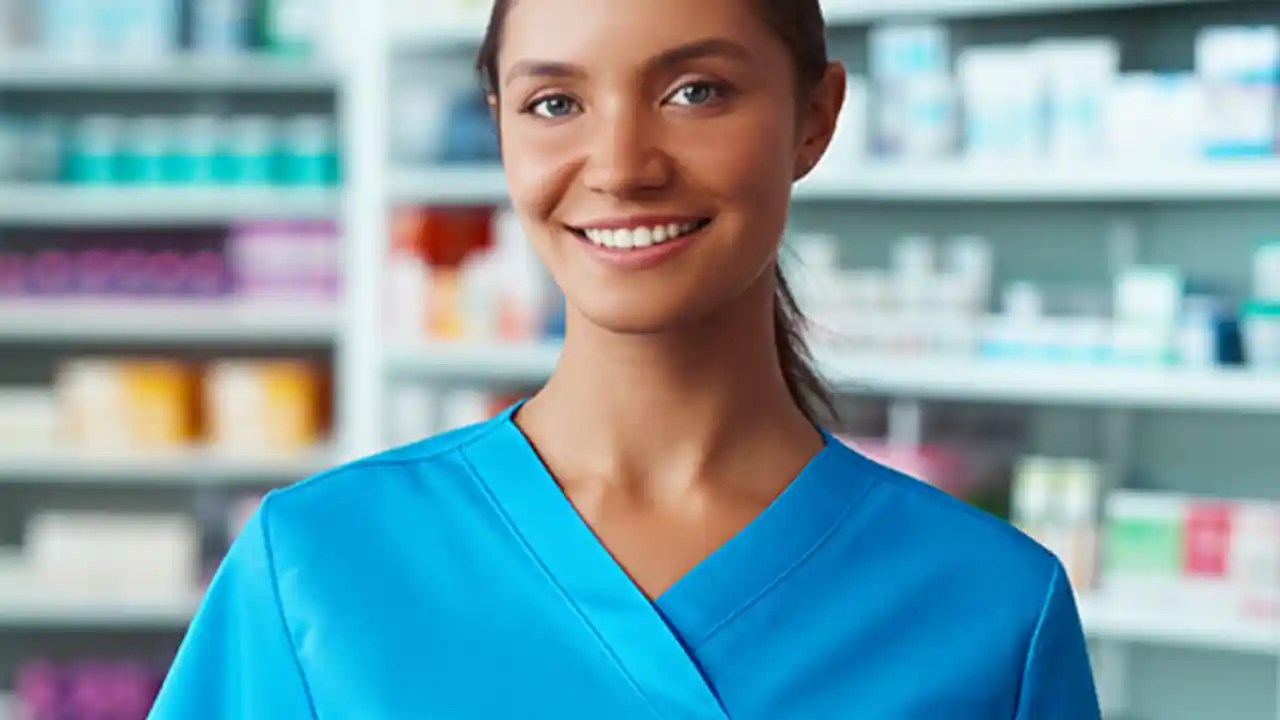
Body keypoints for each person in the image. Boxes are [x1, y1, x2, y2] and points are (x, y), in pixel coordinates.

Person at [150, 0, 1101, 717]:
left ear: (814, 118)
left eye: (696, 92)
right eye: (555, 101)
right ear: (500, 127)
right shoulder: (318, 567)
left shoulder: (993, 612)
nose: (620, 165)